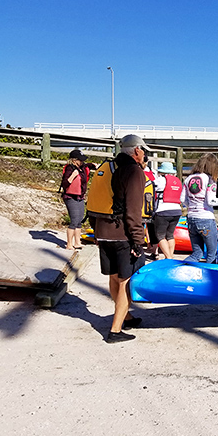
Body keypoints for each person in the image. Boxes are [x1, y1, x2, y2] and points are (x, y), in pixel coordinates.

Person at [91, 134, 149, 343]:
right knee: (125, 282)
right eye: (144, 151)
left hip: (102, 232)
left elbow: (94, 200)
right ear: (136, 151)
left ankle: (126, 315)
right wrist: (137, 240)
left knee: (114, 277)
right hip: (122, 235)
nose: (145, 155)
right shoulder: (134, 172)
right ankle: (115, 330)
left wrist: (95, 231)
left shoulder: (108, 168)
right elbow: (133, 211)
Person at [181, 153, 218, 263]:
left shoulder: (188, 178)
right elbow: (211, 201)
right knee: (212, 254)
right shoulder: (210, 180)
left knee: (196, 253)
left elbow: (183, 199)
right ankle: (210, 278)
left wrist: (193, 207)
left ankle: (181, 269)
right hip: (206, 219)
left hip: (191, 218)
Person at [60, 149, 91, 250]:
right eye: (80, 160)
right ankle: (69, 244)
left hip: (79, 197)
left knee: (79, 221)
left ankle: (77, 242)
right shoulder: (69, 169)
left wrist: (95, 165)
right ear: (74, 160)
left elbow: (87, 166)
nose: (82, 162)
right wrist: (73, 176)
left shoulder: (81, 168)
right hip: (70, 197)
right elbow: (65, 184)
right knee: (74, 220)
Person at [153, 161, 182, 260]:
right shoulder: (177, 181)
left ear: (161, 172)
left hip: (163, 210)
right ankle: (171, 256)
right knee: (170, 235)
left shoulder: (160, 180)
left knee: (160, 236)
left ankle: (168, 258)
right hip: (177, 211)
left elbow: (151, 186)